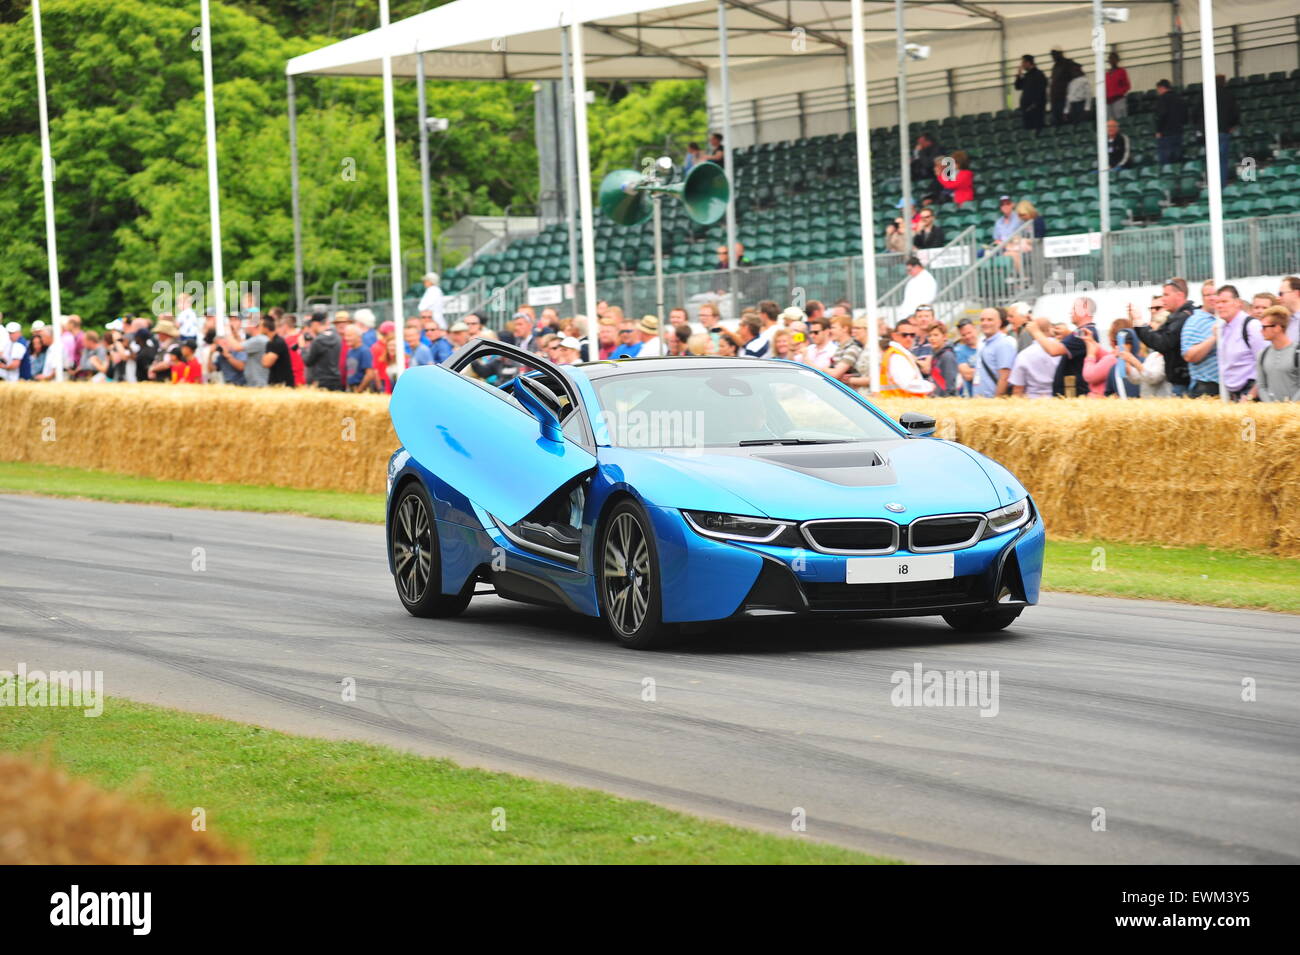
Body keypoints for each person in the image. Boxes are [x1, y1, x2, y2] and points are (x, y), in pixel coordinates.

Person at [1132, 277, 1196, 395]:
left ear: (1179, 295)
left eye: (1166, 295)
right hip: (1180, 382)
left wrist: (1139, 324)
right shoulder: (1179, 317)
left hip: (1182, 383)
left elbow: (1162, 342)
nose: (1163, 299)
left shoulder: (1182, 318)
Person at [1026, 296, 1099, 397]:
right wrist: (1068, 334)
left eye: (1074, 309)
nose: (1071, 312)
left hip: (1075, 396)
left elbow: (1053, 350)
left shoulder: (1084, 332)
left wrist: (1036, 331)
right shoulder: (1086, 331)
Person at [1213, 284, 1266, 401]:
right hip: (1234, 395)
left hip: (1251, 393)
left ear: (1238, 303)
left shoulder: (1251, 326)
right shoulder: (1221, 328)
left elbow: (1265, 364)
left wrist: (1251, 395)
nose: (1220, 306)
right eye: (1217, 302)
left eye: (1224, 301)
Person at [852, 319, 932, 397]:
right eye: (904, 335)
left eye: (912, 335)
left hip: (896, 399)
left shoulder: (899, 353)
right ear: (895, 336)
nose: (909, 338)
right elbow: (906, 383)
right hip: (902, 400)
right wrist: (929, 386)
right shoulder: (897, 356)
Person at [1180, 283, 1221, 398]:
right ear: (1202, 298)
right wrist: (1213, 338)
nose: (1212, 298)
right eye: (1208, 295)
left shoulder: (1227, 319)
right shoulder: (1194, 322)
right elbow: (1189, 356)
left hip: (1230, 386)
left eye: (1215, 294)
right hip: (1206, 388)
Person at [1255, 305, 1299, 402]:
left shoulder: (1297, 353)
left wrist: (1290, 407)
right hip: (1273, 414)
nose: (1261, 331)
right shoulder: (1262, 354)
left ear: (1277, 328)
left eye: (1264, 327)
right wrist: (1272, 408)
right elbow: (1261, 386)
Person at [1008, 318, 1061, 398]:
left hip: (1032, 403)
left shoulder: (1024, 355)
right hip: (1061, 402)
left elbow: (1018, 389)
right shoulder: (1063, 350)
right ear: (1050, 329)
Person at [972, 308, 1017, 397]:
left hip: (992, 403)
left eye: (990, 320)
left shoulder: (1003, 344)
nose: (985, 323)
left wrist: (997, 401)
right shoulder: (984, 343)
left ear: (999, 323)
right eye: (982, 320)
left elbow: (1004, 376)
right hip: (980, 402)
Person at [302, 311, 343, 390]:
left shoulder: (318, 340)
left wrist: (303, 347)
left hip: (321, 381)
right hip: (336, 379)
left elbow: (308, 361)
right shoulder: (336, 336)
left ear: (315, 324)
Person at [1214, 74, 1241, 187]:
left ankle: (1213, 184)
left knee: (1213, 161)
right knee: (1223, 160)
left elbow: (1195, 113)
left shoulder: (1206, 94)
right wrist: (1231, 125)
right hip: (1224, 131)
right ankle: (1222, 185)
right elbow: (1235, 113)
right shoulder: (1229, 95)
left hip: (1211, 133)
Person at [1154, 79, 1187, 165]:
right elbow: (1185, 116)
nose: (1158, 92)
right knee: (1177, 160)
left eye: (1158, 89)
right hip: (1178, 132)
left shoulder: (1162, 99)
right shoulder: (1179, 98)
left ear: (1161, 88)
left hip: (1166, 134)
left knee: (1166, 162)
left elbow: (1162, 115)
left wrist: (1158, 130)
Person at [925, 323, 960, 397]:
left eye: (936, 335)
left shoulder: (947, 356)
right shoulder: (936, 355)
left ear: (944, 337)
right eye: (930, 335)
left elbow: (950, 383)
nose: (932, 338)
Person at [898, 256, 937, 322]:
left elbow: (928, 298)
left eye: (909, 270)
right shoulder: (914, 279)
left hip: (916, 314)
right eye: (907, 270)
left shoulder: (927, 279)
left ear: (917, 267)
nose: (908, 273)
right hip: (909, 314)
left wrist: (917, 313)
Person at [1015, 54, 1048, 132]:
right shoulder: (1026, 76)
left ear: (1028, 63)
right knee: (1028, 130)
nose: (1022, 65)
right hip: (1026, 108)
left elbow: (1041, 91)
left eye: (1023, 62)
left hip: (1036, 108)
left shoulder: (1039, 74)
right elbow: (1018, 87)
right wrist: (1019, 76)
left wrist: (1035, 104)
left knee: (1037, 129)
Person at [262, 315, 295, 387]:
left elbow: (266, 363)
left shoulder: (276, 343)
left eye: (259, 326)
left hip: (282, 385)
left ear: (266, 328)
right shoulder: (273, 342)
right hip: (278, 384)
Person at [1049, 48, 1079, 126]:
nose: (1053, 57)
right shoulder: (1055, 66)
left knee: (1067, 120)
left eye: (1055, 55)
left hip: (1066, 98)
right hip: (1056, 98)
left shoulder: (1068, 64)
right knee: (1058, 121)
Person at [827, 315, 861, 381]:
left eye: (833, 328)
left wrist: (823, 368)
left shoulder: (852, 348)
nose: (830, 331)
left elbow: (835, 374)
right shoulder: (840, 348)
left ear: (845, 328)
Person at [344, 325, 377, 392]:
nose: (346, 338)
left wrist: (359, 390)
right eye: (346, 336)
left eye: (349, 336)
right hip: (351, 389)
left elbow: (370, 374)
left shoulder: (364, 351)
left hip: (361, 390)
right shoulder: (350, 351)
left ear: (359, 337)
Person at [952, 318, 979, 397]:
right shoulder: (958, 350)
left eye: (969, 333)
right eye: (963, 335)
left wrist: (974, 372)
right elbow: (967, 375)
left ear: (975, 329)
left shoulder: (985, 345)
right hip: (970, 395)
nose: (967, 337)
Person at [1105, 51, 1131, 119]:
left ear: (1117, 60)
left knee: (1120, 120)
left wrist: (1118, 93)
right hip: (1108, 101)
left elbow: (1127, 86)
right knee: (1110, 122)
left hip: (1118, 100)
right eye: (1110, 59)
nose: (1112, 61)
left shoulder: (1121, 71)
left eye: (1113, 59)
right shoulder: (1107, 74)